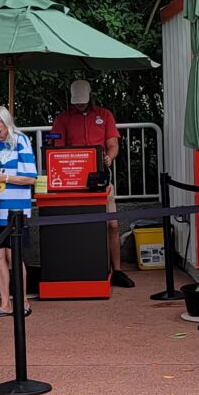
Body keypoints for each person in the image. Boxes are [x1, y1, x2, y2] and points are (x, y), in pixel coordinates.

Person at [50, 79, 135, 288]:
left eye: (82, 101)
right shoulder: (63, 118)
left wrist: (109, 157)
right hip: (73, 179)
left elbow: (113, 143)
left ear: (90, 96)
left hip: (101, 178)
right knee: (79, 224)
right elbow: (56, 148)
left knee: (112, 224)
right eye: (76, 102)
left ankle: (117, 270)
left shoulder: (104, 115)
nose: (79, 105)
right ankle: (82, 268)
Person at [0, 105, 38, 318]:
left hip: (14, 209)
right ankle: (5, 303)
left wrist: (5, 178)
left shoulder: (20, 141)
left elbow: (31, 177)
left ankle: (22, 301)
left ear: (7, 125)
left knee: (14, 255)